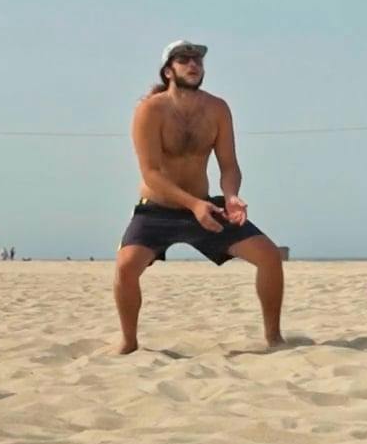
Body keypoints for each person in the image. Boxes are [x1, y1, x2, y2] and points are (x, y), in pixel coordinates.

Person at [115, 39, 285, 354]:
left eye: (198, 61)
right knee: (126, 266)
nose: (193, 65)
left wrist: (231, 196)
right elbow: (151, 172)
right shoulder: (150, 111)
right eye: (184, 60)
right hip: (158, 210)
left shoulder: (217, 108)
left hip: (206, 207)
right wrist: (193, 205)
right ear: (168, 71)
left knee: (270, 257)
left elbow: (230, 165)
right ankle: (129, 342)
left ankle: (274, 337)